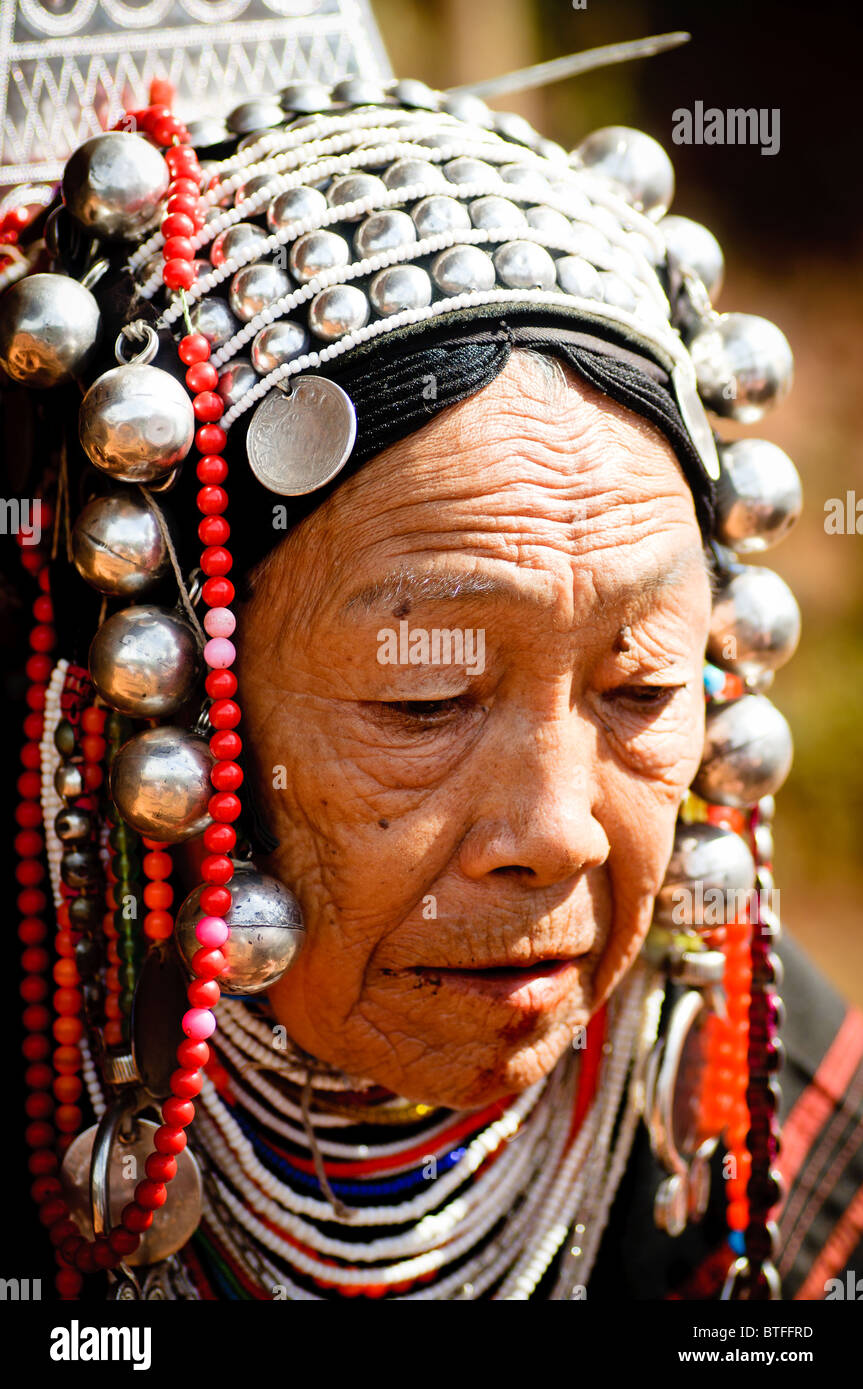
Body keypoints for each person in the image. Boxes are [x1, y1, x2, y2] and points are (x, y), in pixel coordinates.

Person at [3, 46, 862, 1304]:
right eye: (423, 700)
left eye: (637, 687)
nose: (554, 834)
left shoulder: (750, 1122)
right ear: (151, 706)